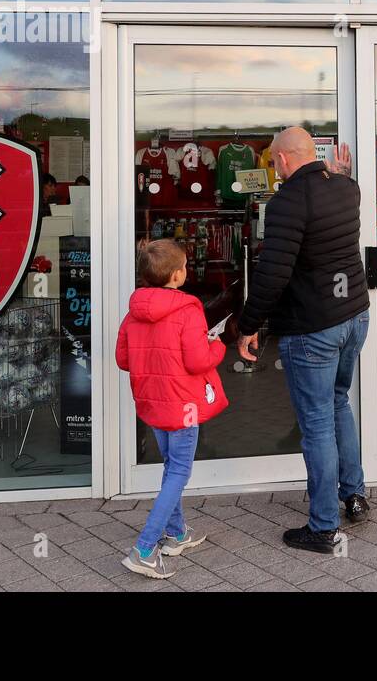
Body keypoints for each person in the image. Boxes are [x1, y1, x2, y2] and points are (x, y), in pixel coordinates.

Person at [236, 128, 369, 554]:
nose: (274, 167)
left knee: (316, 424)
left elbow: (273, 273)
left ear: (282, 159)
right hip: (354, 317)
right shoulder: (346, 189)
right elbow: (350, 185)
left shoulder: (287, 202)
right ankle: (354, 494)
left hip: (314, 326)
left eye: (274, 161)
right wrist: (341, 172)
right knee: (337, 403)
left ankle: (324, 526)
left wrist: (248, 323)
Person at [116, 239, 229, 579]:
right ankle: (145, 548)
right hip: (183, 403)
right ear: (179, 274)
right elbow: (197, 362)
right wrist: (217, 347)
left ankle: (177, 534)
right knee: (179, 470)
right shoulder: (187, 310)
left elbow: (124, 359)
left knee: (170, 466)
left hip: (151, 401)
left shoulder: (133, 311)